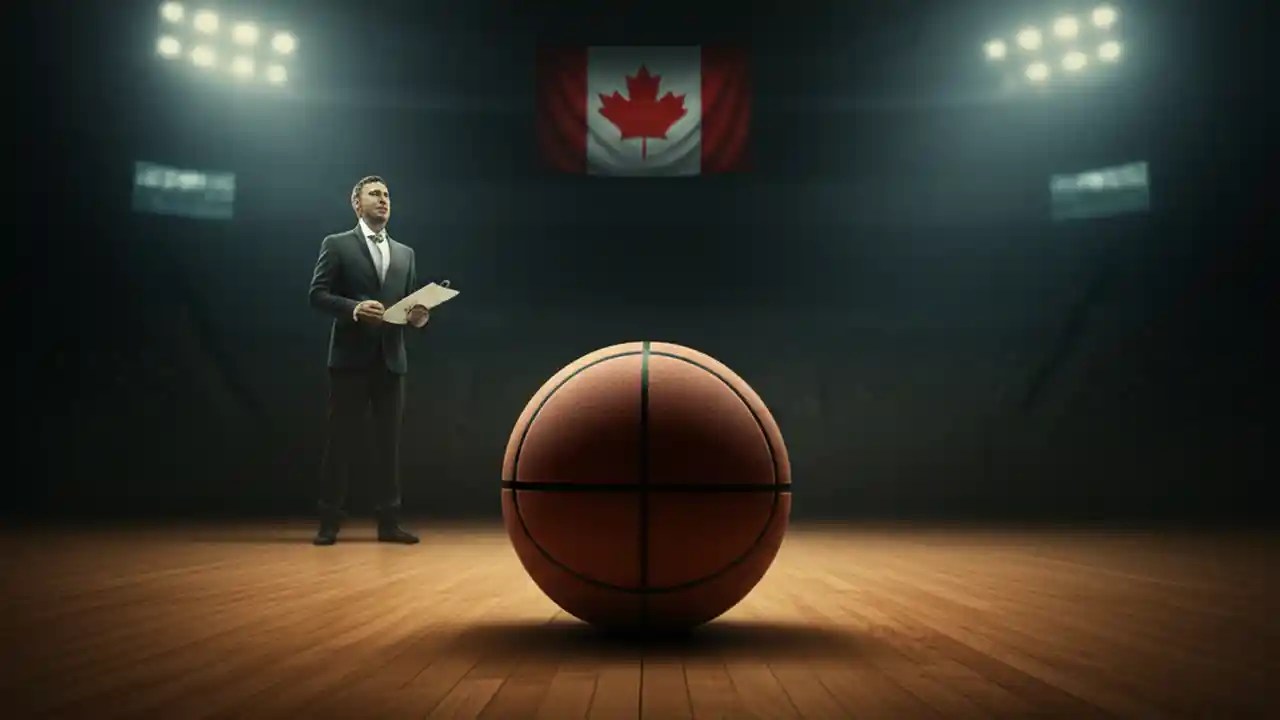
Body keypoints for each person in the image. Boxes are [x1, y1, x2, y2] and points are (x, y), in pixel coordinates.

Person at [307, 175, 431, 546]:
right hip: (349, 359)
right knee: (340, 442)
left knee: (388, 444)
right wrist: (354, 307)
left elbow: (410, 303)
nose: (383, 199)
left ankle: (388, 522)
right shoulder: (337, 244)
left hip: (392, 360)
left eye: (388, 194)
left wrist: (419, 316)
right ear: (356, 203)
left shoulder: (406, 253)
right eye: (375, 194)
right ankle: (329, 521)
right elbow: (317, 295)